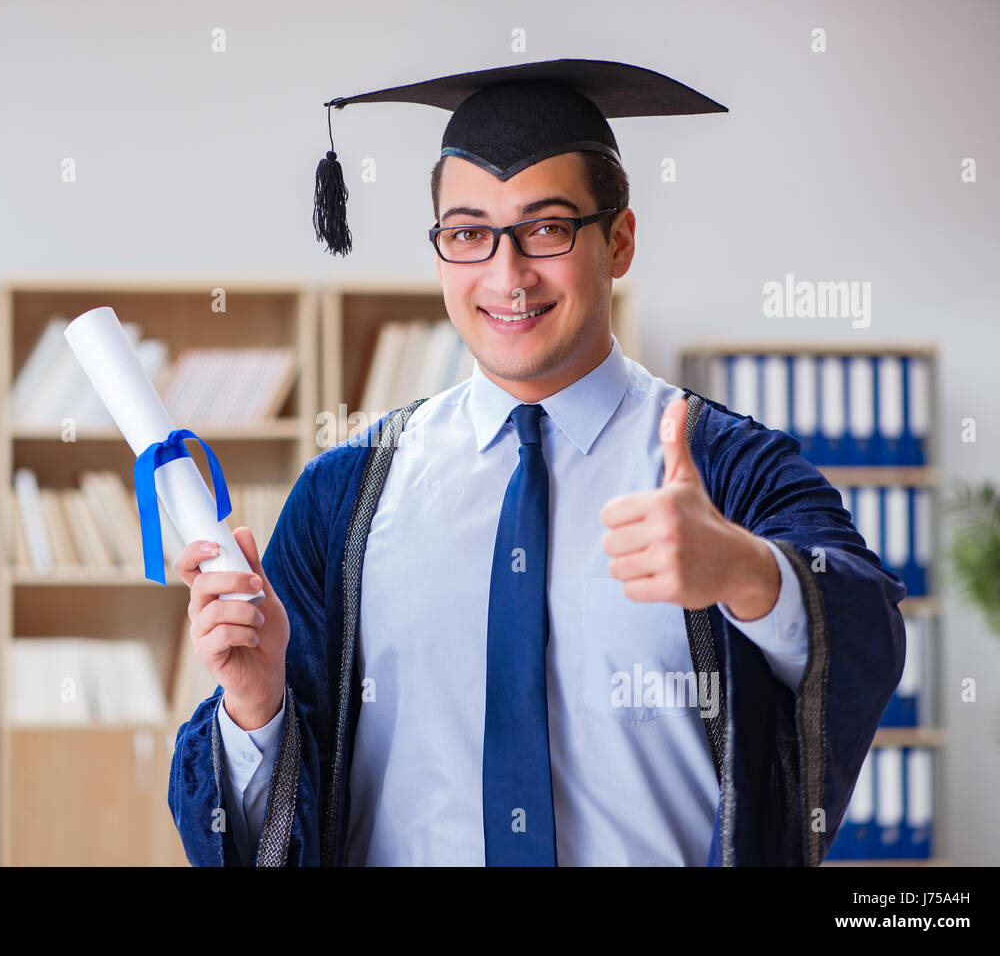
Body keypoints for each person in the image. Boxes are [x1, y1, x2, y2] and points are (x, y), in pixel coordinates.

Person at [166, 59, 907, 866]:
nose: (506, 273)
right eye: (467, 233)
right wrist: (255, 703)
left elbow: (866, 624)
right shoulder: (346, 496)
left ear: (618, 240)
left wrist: (744, 569)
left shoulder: (725, 467)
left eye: (547, 229)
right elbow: (268, 821)